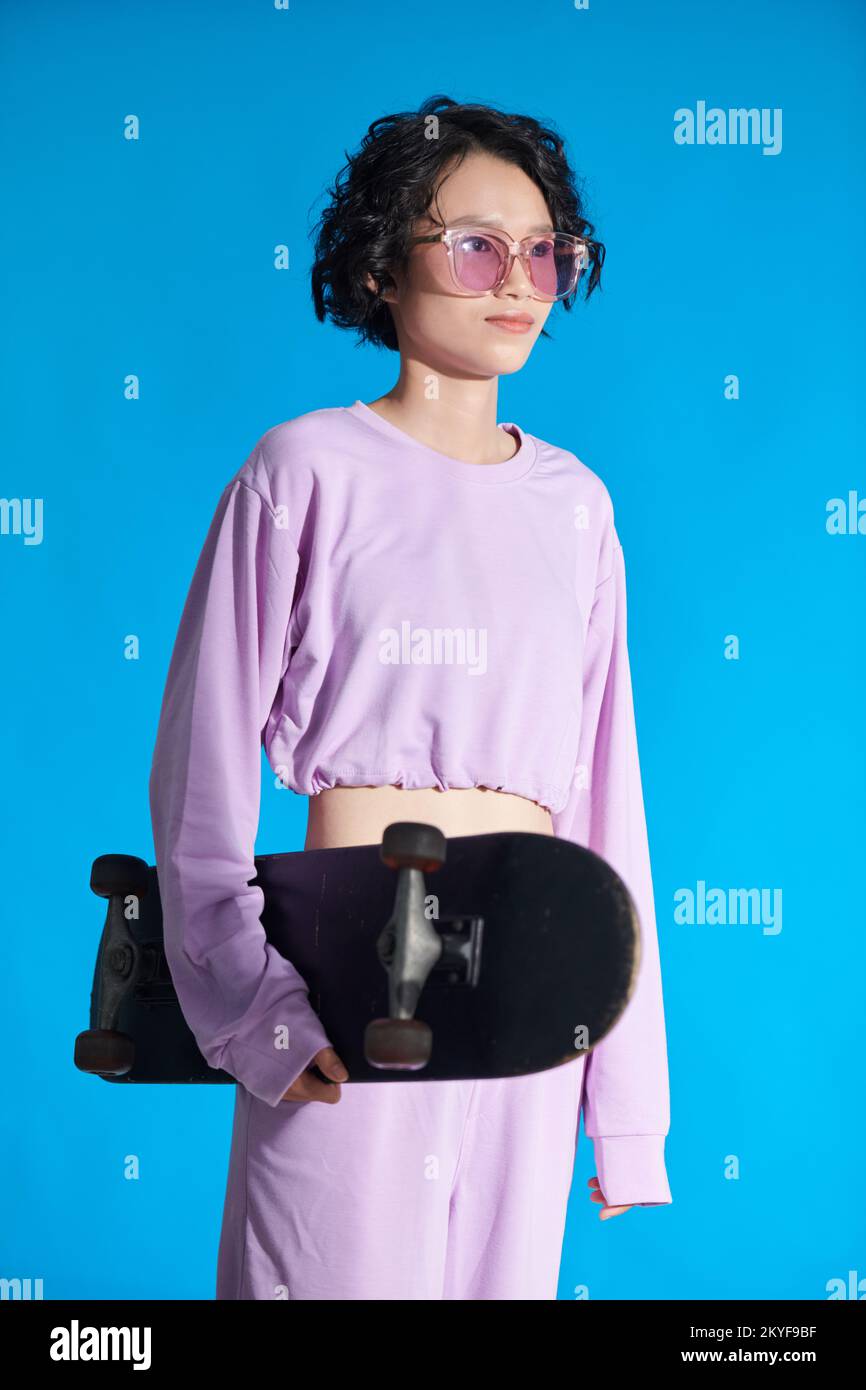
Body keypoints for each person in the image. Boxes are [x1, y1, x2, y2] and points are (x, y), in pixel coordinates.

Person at [148, 94, 672, 1302]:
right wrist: (253, 1010)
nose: (518, 281)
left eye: (543, 251)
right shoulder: (301, 471)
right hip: (344, 976)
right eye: (475, 245)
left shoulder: (577, 508)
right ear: (384, 261)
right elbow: (201, 780)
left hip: (535, 994)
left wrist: (623, 1097)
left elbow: (609, 802)